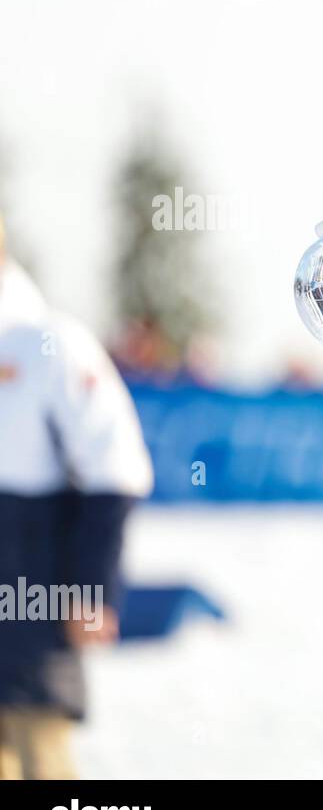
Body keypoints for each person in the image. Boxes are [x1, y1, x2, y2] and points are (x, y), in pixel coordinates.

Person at [0, 214, 154, 779]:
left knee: (36, 753)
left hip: (31, 590)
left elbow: (117, 468)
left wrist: (94, 586)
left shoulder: (47, 342)